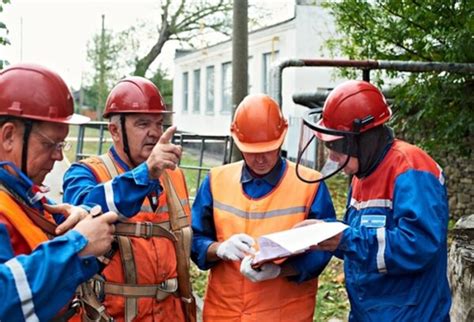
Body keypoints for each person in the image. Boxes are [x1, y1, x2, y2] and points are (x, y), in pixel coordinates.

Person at [297, 80, 451, 321]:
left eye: (336, 145)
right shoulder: (363, 173)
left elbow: (419, 246)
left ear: (363, 138)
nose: (332, 156)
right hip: (368, 312)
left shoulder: (411, 168)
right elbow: (362, 243)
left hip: (410, 315)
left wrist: (345, 238)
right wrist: (326, 236)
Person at [191, 93, 336, 321]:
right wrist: (218, 249)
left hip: (284, 314)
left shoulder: (310, 185)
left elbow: (324, 248)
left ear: (282, 136)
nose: (260, 159)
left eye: (268, 149)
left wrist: (281, 270)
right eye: (251, 151)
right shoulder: (216, 180)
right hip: (225, 313)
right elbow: (194, 239)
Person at [62, 76, 195, 322]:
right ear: (114, 130)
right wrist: (146, 174)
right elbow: (84, 213)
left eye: (159, 122)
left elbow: (189, 240)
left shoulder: (175, 178)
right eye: (143, 124)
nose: (155, 132)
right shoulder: (85, 173)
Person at [0, 63, 118, 321]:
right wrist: (76, 245)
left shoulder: (23, 194)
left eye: (62, 143)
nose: (58, 155)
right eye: (50, 143)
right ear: (8, 136)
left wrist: (82, 216)